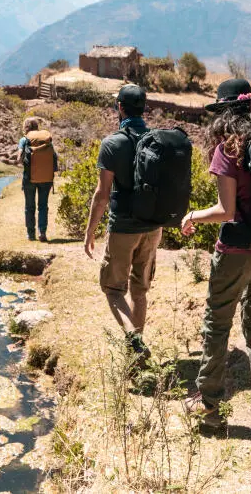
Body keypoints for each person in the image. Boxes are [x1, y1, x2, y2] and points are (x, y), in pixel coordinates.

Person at [181, 78, 251, 433]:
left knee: (217, 323)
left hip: (238, 248)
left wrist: (193, 215)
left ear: (223, 115)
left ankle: (208, 402)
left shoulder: (227, 149)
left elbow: (226, 211)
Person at [82, 84, 161, 363]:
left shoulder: (112, 143)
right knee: (140, 291)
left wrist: (90, 231)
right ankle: (135, 356)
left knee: (114, 290)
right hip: (153, 228)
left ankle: (135, 341)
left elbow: (102, 195)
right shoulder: (157, 140)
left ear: (119, 107)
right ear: (144, 108)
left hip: (124, 228)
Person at [17, 117, 58, 242]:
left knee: (29, 207)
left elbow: (19, 158)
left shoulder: (25, 139)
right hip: (46, 178)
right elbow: (54, 157)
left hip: (29, 178)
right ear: (37, 127)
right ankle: (42, 232)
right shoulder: (46, 139)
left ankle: (30, 234)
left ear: (26, 127)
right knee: (43, 206)